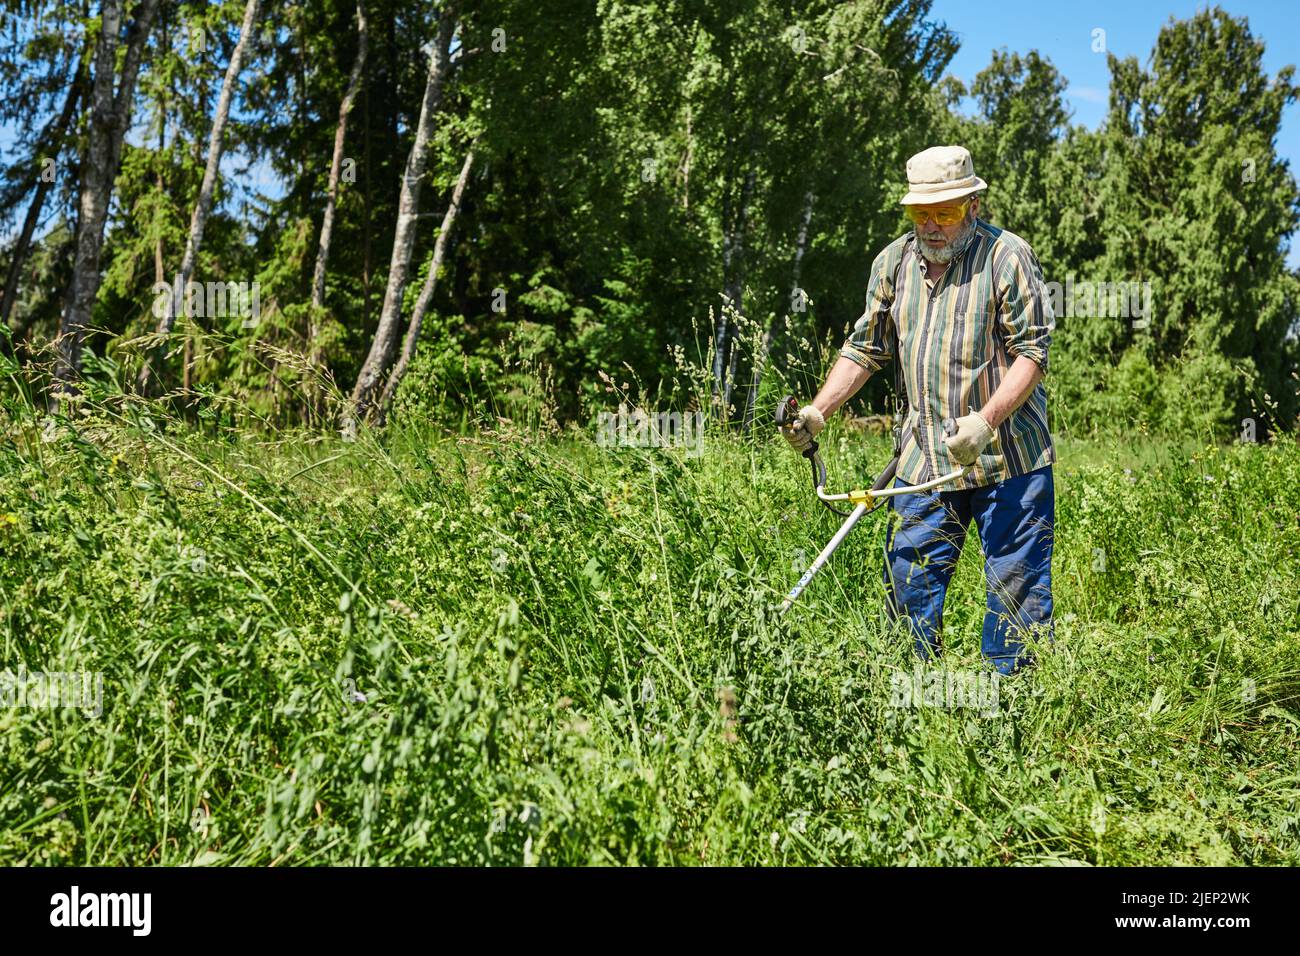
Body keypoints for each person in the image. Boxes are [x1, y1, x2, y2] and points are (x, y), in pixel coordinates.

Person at [781, 145, 1055, 676]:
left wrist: (985, 421)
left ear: (974, 205)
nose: (931, 225)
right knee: (909, 594)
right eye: (920, 212)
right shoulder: (894, 263)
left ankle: (1014, 715)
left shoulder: (1007, 257)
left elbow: (1033, 353)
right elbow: (865, 349)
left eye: (945, 212)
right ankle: (909, 708)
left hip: (1009, 462)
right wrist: (817, 413)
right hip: (923, 465)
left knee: (1016, 601)